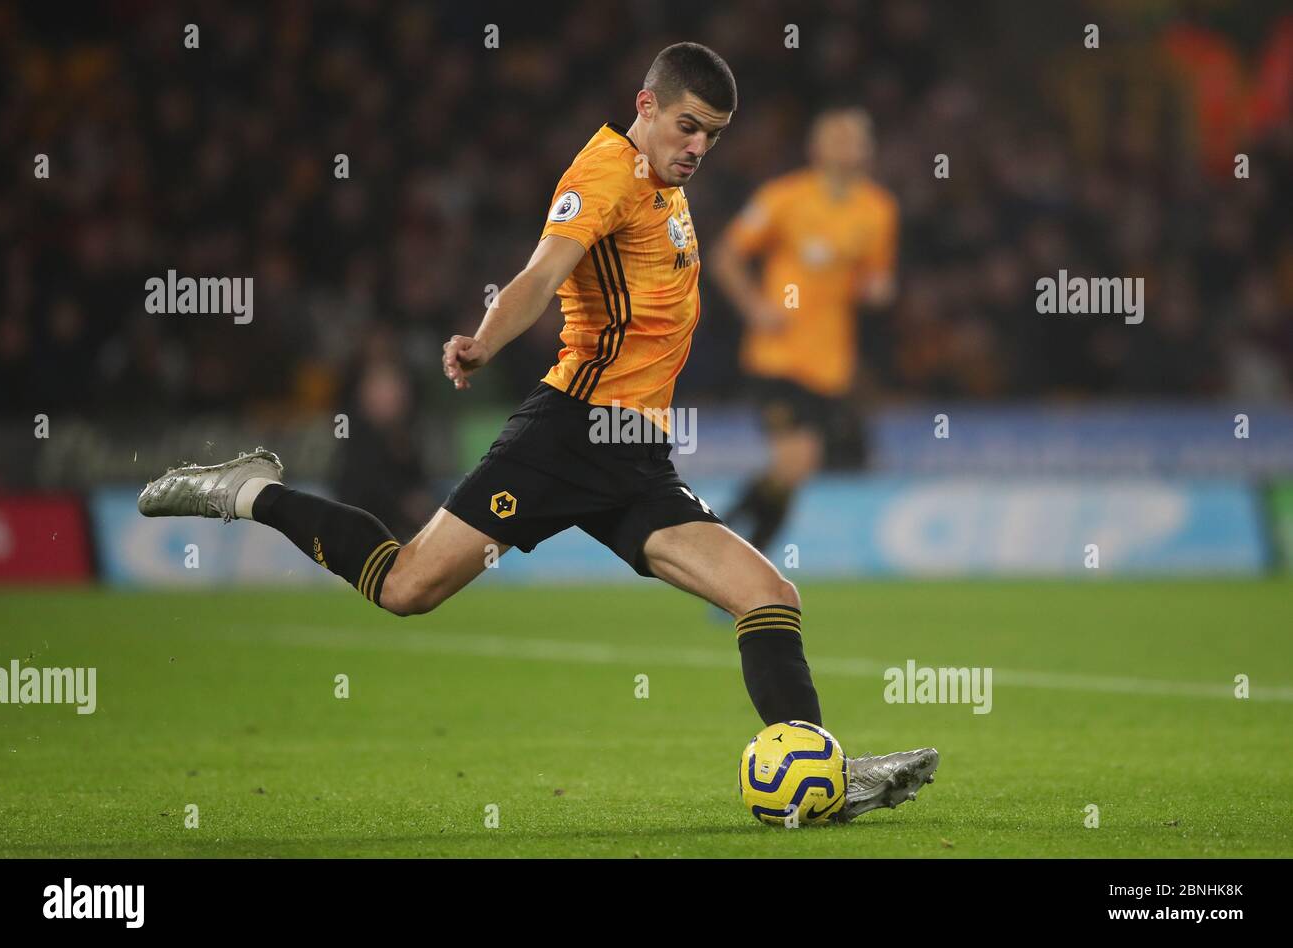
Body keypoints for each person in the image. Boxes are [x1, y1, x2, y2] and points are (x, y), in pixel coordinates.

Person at [137, 44, 936, 821]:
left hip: (636, 457)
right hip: (566, 438)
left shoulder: (666, 182)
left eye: (713, 135)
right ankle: (250, 491)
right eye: (688, 126)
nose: (699, 147)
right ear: (646, 106)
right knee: (406, 587)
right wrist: (486, 340)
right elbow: (542, 273)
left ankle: (812, 766)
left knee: (768, 594)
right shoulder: (604, 175)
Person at [713, 107, 898, 552]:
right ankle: (730, 544)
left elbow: (876, 278)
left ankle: (731, 544)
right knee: (797, 460)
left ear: (867, 149)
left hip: (829, 362)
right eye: (836, 136)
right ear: (815, 147)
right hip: (777, 355)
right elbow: (726, 256)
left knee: (797, 471)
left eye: (854, 138)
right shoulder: (783, 198)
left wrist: (878, 290)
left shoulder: (878, 209)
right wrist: (756, 307)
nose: (846, 146)